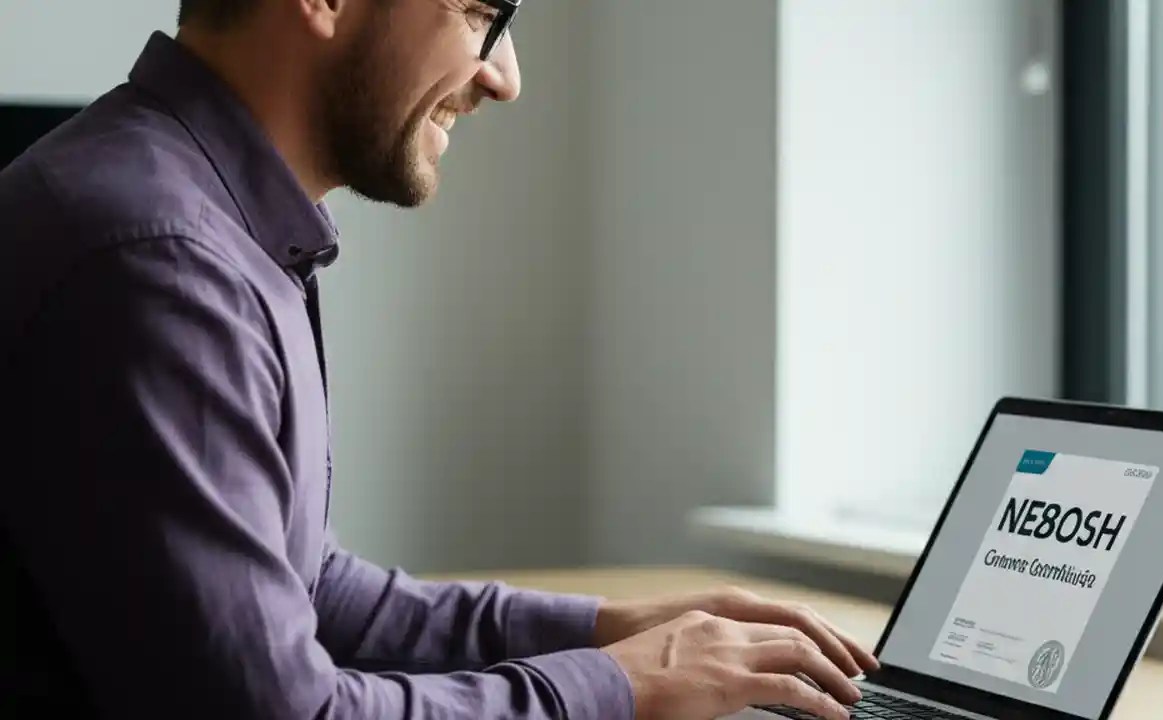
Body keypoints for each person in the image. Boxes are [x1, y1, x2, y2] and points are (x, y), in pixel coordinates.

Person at [0, 2, 878, 718]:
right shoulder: (159, 259)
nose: (505, 75)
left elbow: (308, 589)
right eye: (477, 12)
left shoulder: (206, 220)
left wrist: (611, 629)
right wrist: (624, 684)